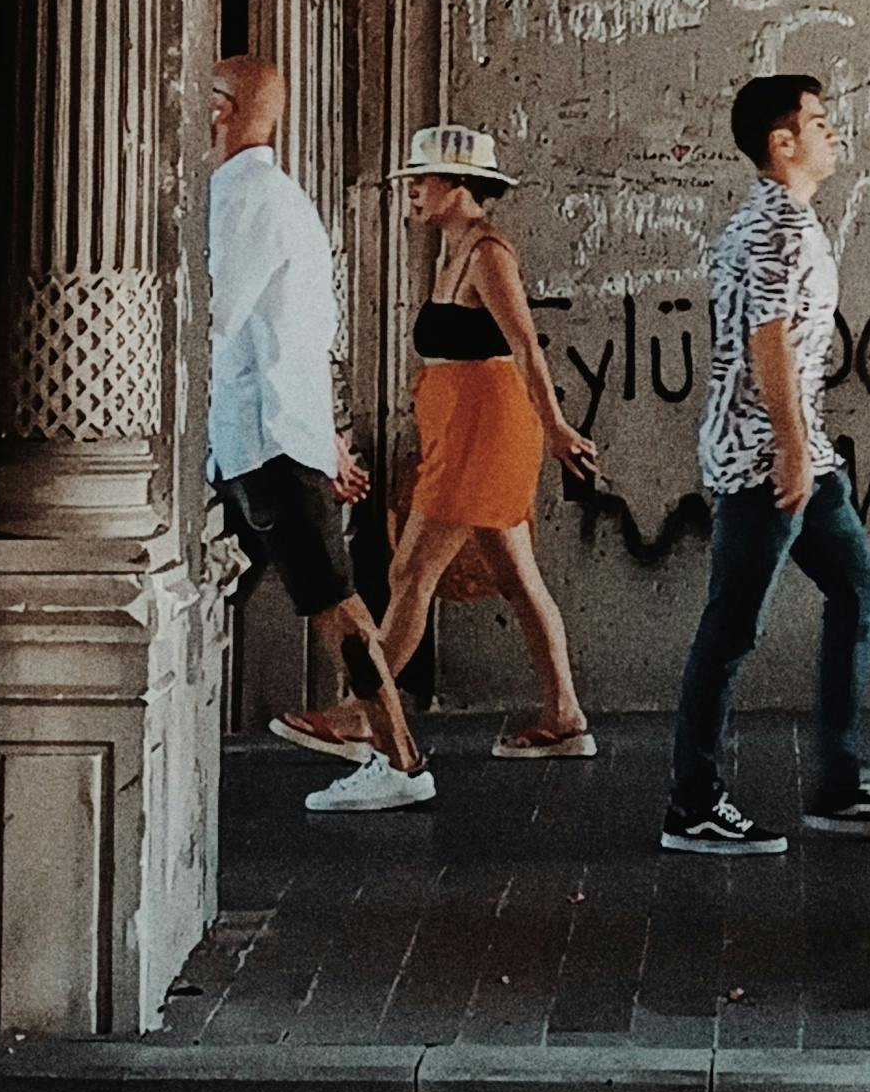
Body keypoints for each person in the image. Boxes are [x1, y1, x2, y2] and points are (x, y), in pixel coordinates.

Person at [662, 72, 870, 854]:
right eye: (819, 122)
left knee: (856, 591)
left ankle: (844, 785)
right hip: (766, 459)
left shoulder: (779, 221)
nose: (833, 132)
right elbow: (769, 343)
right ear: (782, 143)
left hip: (798, 454)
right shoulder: (776, 228)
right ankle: (693, 805)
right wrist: (789, 449)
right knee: (731, 628)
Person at [206, 54, 435, 818]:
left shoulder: (246, 198)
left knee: (340, 608)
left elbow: (215, 317)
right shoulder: (285, 199)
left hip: (263, 442)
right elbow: (306, 335)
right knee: (326, 601)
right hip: (279, 435)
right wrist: (327, 434)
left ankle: (399, 759)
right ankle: (387, 752)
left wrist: (312, 436)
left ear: (219, 108)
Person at [376, 122, 601, 757]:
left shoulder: (487, 253)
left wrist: (556, 427)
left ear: (457, 184)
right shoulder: (452, 253)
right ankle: (564, 716)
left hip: (489, 429)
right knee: (518, 577)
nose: (413, 190)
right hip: (461, 429)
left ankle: (366, 712)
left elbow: (527, 347)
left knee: (412, 569)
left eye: (422, 179)